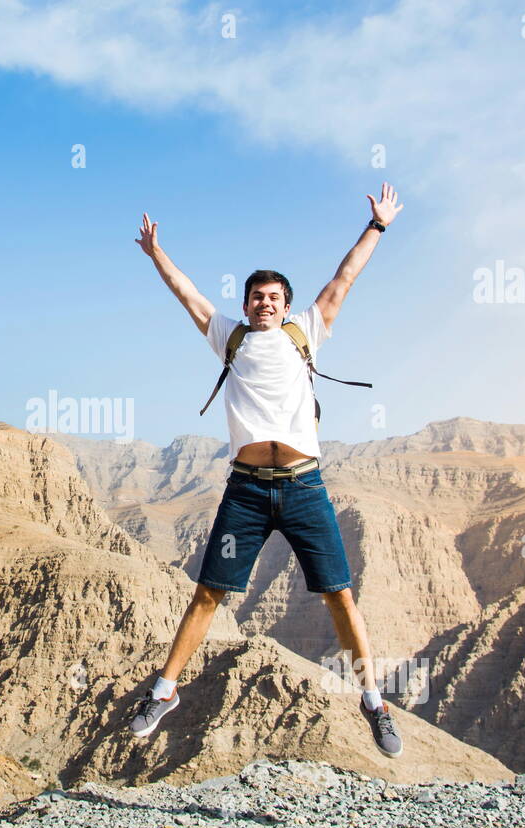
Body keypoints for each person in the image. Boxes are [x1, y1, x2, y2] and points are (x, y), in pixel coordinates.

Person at [128, 184, 404, 758]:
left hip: (304, 487)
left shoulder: (308, 331)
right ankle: (163, 690)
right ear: (247, 302)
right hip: (247, 493)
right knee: (209, 592)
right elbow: (189, 295)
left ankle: (374, 702)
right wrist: (157, 255)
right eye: (257, 296)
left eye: (275, 296)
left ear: (287, 304)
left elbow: (344, 279)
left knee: (340, 596)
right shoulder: (228, 336)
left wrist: (376, 226)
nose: (265, 304)